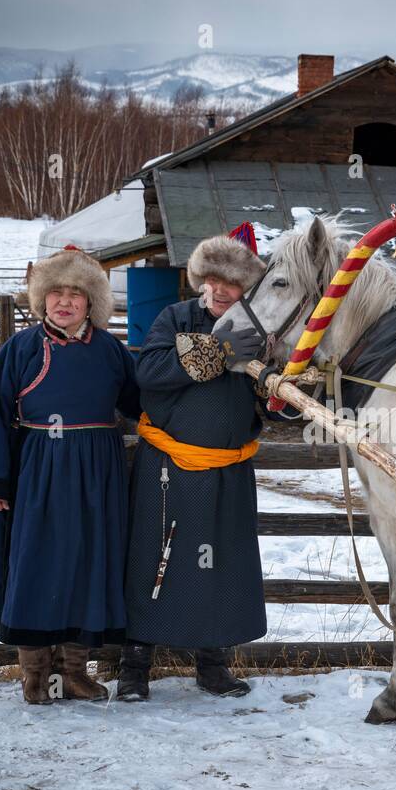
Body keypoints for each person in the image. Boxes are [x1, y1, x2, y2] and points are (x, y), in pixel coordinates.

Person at [119, 224, 287, 702]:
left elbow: (278, 404)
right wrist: (214, 354)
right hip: (167, 466)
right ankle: (135, 669)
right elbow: (147, 374)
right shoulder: (175, 318)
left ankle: (213, 666)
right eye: (211, 280)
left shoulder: (263, 334)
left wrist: (281, 378)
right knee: (151, 561)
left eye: (230, 283)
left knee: (222, 564)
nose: (218, 290)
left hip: (229, 469)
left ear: (247, 289)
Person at [0, 247, 140, 704]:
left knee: (89, 564)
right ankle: (36, 675)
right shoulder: (20, 349)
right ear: (42, 300)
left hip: (98, 475)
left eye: (75, 294)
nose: (64, 303)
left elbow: (143, 404)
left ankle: (74, 673)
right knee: (36, 566)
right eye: (55, 294)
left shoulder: (110, 351)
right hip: (39, 473)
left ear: (92, 303)